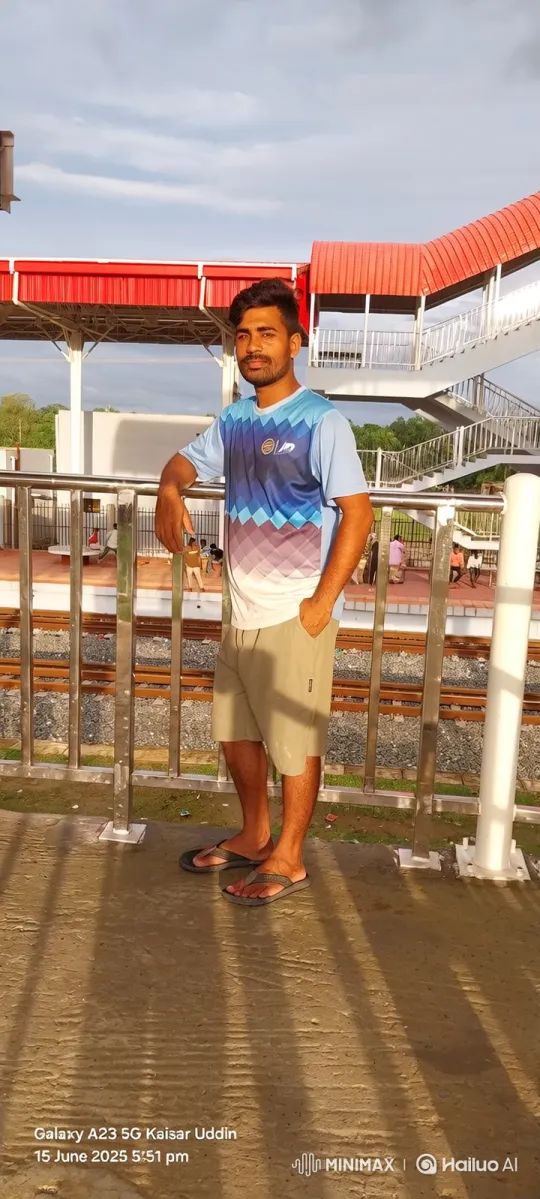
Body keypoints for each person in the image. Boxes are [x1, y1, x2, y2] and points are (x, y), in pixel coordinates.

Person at [156, 278, 373, 905]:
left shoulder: (322, 421)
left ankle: (290, 857)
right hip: (241, 609)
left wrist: (320, 605)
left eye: (267, 334)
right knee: (237, 735)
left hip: (293, 613)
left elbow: (357, 514)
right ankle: (255, 836)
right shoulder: (234, 420)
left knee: (294, 744)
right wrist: (169, 489)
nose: (253, 346)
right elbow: (183, 464)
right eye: (244, 335)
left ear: (294, 343)